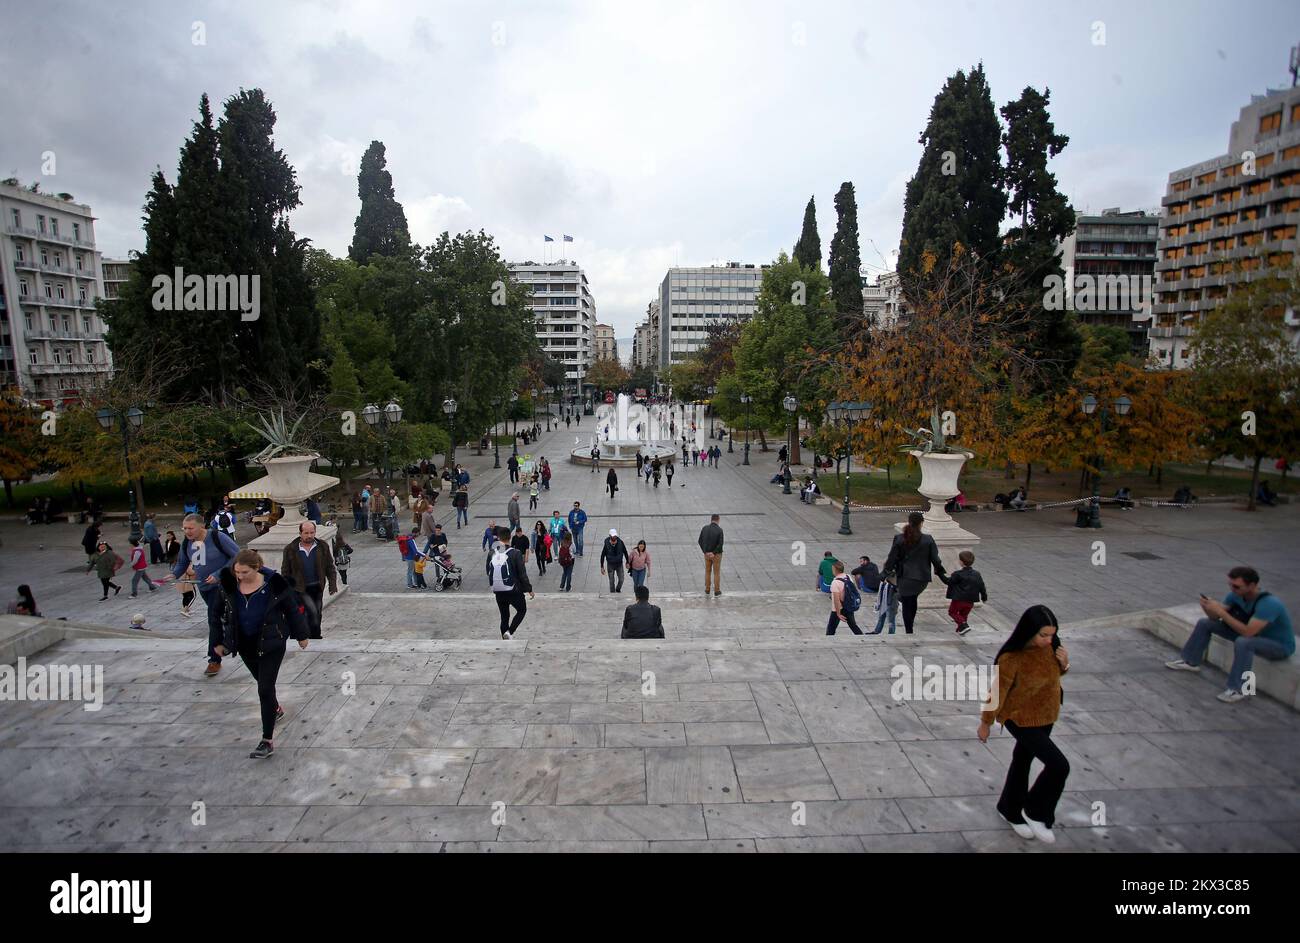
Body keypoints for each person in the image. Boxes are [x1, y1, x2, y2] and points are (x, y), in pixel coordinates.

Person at [978, 605, 1071, 843]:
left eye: (1052, 634)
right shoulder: (1013, 657)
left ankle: (1009, 808)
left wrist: (1064, 665)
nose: (1049, 640)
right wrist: (986, 722)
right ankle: (1036, 812)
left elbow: (1051, 679)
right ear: (1029, 631)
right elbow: (997, 692)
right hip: (1020, 718)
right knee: (1059, 766)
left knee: (1022, 760)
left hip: (1047, 715)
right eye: (1044, 635)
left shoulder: (1053, 648)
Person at [214, 548, 310, 759]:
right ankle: (275, 708)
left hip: (272, 643)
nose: (239, 576)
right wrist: (219, 642)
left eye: (244, 572)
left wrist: (302, 635)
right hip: (245, 645)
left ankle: (267, 740)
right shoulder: (229, 585)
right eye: (237, 572)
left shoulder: (274, 585)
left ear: (257, 568)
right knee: (262, 682)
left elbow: (292, 610)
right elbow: (217, 614)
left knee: (264, 688)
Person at [1166, 565, 1294, 702]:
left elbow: (1248, 632)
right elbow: (1214, 618)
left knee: (1244, 642)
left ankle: (1239, 689)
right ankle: (1190, 661)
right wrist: (1208, 608)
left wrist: (1220, 611)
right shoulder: (1235, 595)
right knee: (1205, 623)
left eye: (1237, 587)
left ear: (1252, 585)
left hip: (1278, 646)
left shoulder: (1269, 604)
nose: (1233, 589)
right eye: (1231, 585)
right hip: (1253, 636)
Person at [172, 512, 242, 676]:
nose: (187, 532)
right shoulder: (187, 543)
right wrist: (174, 574)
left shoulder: (218, 537)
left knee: (213, 618)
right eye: (185, 528)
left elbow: (238, 555)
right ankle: (226, 642)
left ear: (201, 526)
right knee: (218, 618)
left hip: (223, 585)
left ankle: (214, 660)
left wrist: (218, 575)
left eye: (191, 528)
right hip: (205, 588)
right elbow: (182, 562)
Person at [881, 511, 948, 634]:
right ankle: (910, 625)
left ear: (909, 521)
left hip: (905, 578)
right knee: (913, 599)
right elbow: (935, 559)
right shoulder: (928, 540)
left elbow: (892, 558)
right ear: (921, 523)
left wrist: (885, 573)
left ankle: (909, 630)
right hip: (921, 579)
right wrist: (941, 574)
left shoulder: (900, 538)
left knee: (907, 602)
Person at [280, 521, 338, 639]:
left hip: (317, 586)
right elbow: (285, 570)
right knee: (312, 611)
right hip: (300, 588)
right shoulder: (291, 549)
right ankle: (310, 636)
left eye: (312, 532)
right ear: (300, 533)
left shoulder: (322, 546)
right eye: (306, 533)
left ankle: (314, 634)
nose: (309, 535)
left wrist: (333, 584)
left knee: (317, 612)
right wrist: (286, 588)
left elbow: (329, 566)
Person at [487, 525, 534, 639]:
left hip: (498, 590)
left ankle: (504, 638)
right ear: (510, 537)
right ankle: (510, 632)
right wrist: (529, 589)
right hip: (513, 590)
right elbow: (522, 574)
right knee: (522, 610)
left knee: (504, 616)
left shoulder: (492, 552)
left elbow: (488, 570)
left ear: (498, 538)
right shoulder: (515, 553)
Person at [945, 550, 987, 636]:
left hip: (959, 600)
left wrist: (940, 574)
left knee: (952, 612)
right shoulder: (977, 574)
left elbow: (948, 582)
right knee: (963, 615)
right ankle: (961, 629)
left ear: (961, 562)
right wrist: (984, 597)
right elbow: (982, 586)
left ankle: (964, 625)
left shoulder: (957, 574)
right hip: (970, 601)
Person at [827, 562, 865, 636]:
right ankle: (862, 637)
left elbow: (836, 600)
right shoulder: (848, 576)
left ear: (835, 570)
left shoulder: (835, 582)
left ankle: (829, 643)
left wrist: (838, 613)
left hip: (838, 609)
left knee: (830, 630)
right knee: (853, 626)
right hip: (848, 605)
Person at [698, 513, 724, 597]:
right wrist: (713, 553)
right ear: (718, 520)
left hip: (707, 555)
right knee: (716, 573)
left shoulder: (705, 528)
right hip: (716, 555)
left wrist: (705, 551)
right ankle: (717, 591)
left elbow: (700, 541)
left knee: (707, 571)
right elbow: (720, 544)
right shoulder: (719, 530)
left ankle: (707, 589)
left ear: (711, 519)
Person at [600, 528, 631, 593]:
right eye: (613, 537)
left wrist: (627, 562)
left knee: (621, 579)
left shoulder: (620, 542)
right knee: (611, 581)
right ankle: (612, 593)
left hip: (619, 564)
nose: (614, 538)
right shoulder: (606, 544)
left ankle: (618, 589)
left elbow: (625, 552)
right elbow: (602, 555)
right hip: (610, 565)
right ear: (610, 536)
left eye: (615, 537)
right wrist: (602, 567)